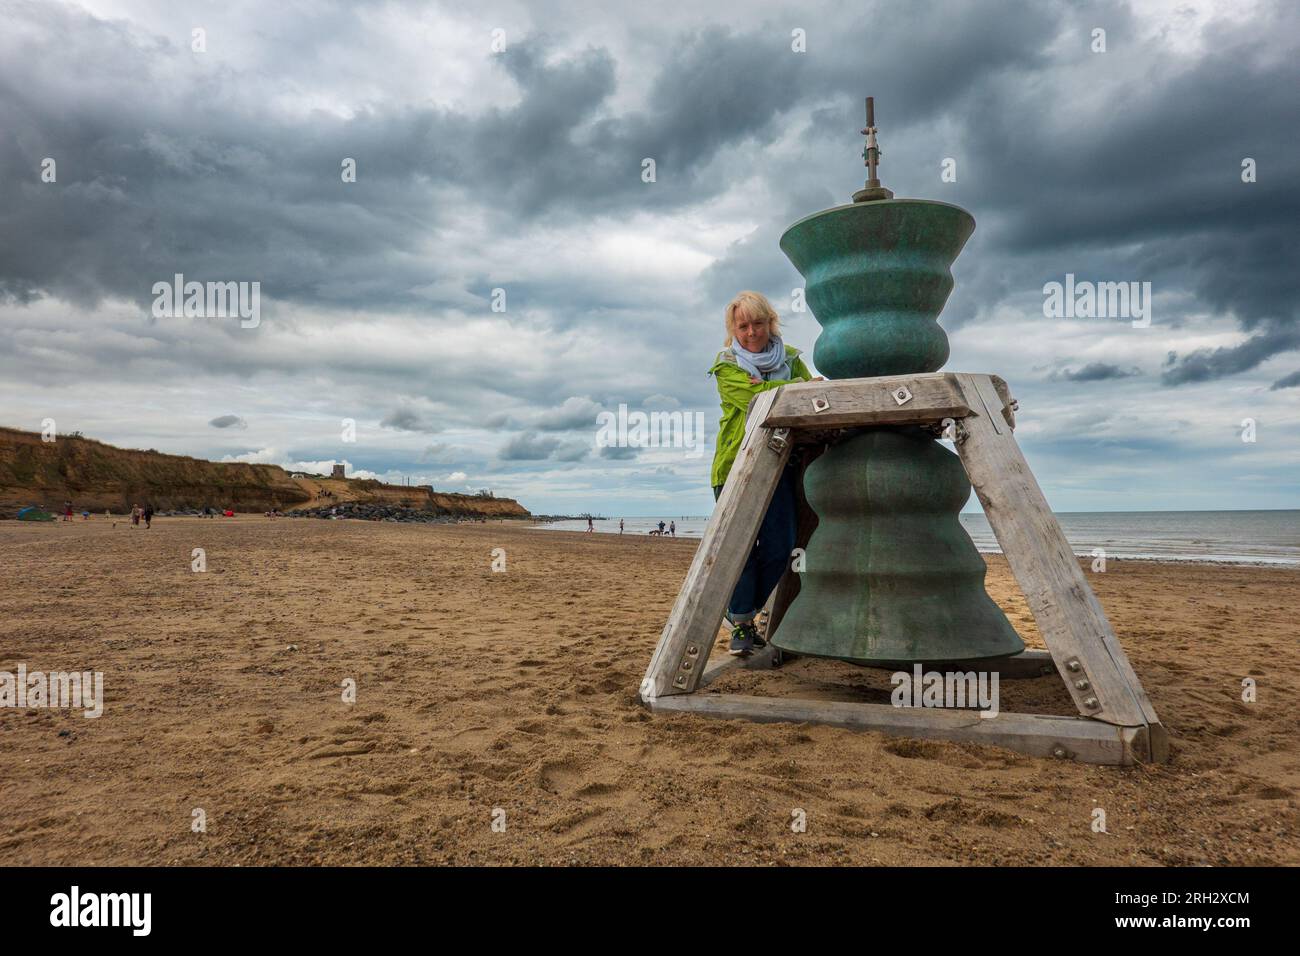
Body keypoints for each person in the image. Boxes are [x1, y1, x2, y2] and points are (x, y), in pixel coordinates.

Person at [709, 290, 818, 656]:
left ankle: (739, 611)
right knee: (738, 548)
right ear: (733, 330)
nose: (751, 333)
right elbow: (758, 403)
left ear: (771, 323)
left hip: (781, 465)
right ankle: (741, 624)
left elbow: (813, 400)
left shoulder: (790, 359)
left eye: (758, 324)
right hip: (734, 467)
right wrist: (793, 389)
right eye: (743, 326)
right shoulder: (726, 365)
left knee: (781, 547)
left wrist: (786, 388)